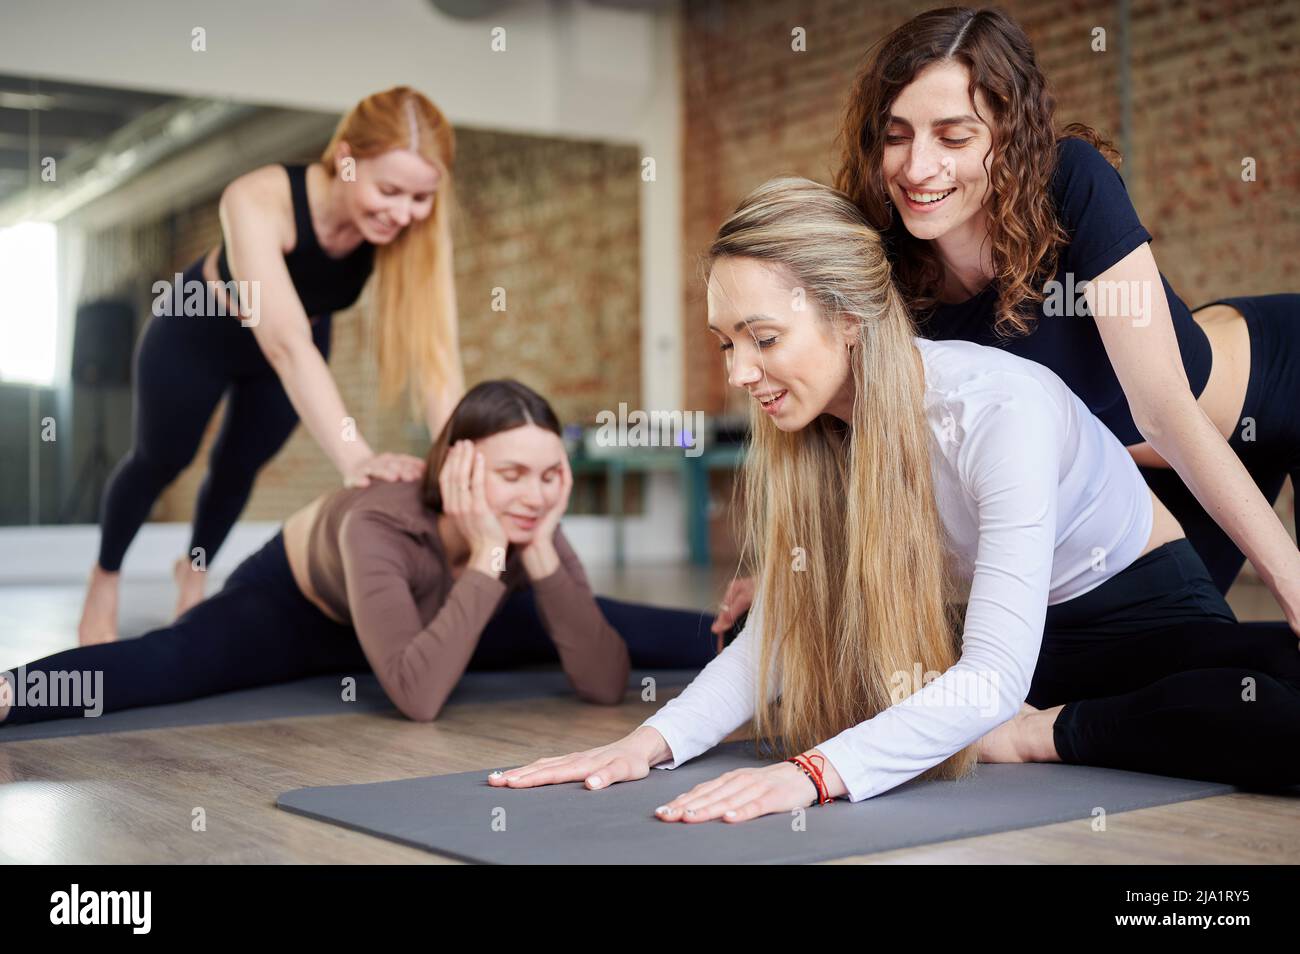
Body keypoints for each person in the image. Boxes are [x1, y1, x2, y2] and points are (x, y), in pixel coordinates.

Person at [489, 178, 1300, 823]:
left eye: (763, 339)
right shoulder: (814, 434)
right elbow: (774, 640)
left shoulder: (995, 408)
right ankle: (1045, 727)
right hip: (1002, 646)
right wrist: (646, 745)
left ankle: (1045, 735)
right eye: (727, 343)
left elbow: (989, 678)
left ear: (848, 319)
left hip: (1133, 619)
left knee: (1260, 711)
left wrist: (815, 775)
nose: (739, 372)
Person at [830, 5, 1300, 623]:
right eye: (895, 136)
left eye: (953, 137)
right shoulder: (886, 267)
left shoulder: (1069, 182)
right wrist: (796, 571)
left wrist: (1292, 585)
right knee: (1173, 665)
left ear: (1009, 132)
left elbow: (1162, 411)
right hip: (1147, 482)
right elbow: (866, 444)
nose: (918, 167)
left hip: (1265, 391)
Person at [2, 381, 718, 728]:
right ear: (459, 468)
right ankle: (10, 692)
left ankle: (778, 628)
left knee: (629, 623)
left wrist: (526, 552)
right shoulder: (378, 523)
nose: (534, 495)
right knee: (172, 662)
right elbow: (416, 696)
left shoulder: (530, 516)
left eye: (549, 474)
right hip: (295, 615)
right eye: (511, 475)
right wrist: (491, 555)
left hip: (443, 610)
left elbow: (601, 682)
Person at [79, 86, 466, 645]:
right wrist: (357, 457)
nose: (403, 213)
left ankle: (194, 571)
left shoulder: (414, 231)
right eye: (390, 190)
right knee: (161, 460)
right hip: (198, 330)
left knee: (238, 468)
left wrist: (456, 459)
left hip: (300, 336)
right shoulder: (257, 197)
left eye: (420, 198)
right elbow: (284, 344)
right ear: (347, 160)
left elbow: (435, 358)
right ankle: (104, 576)